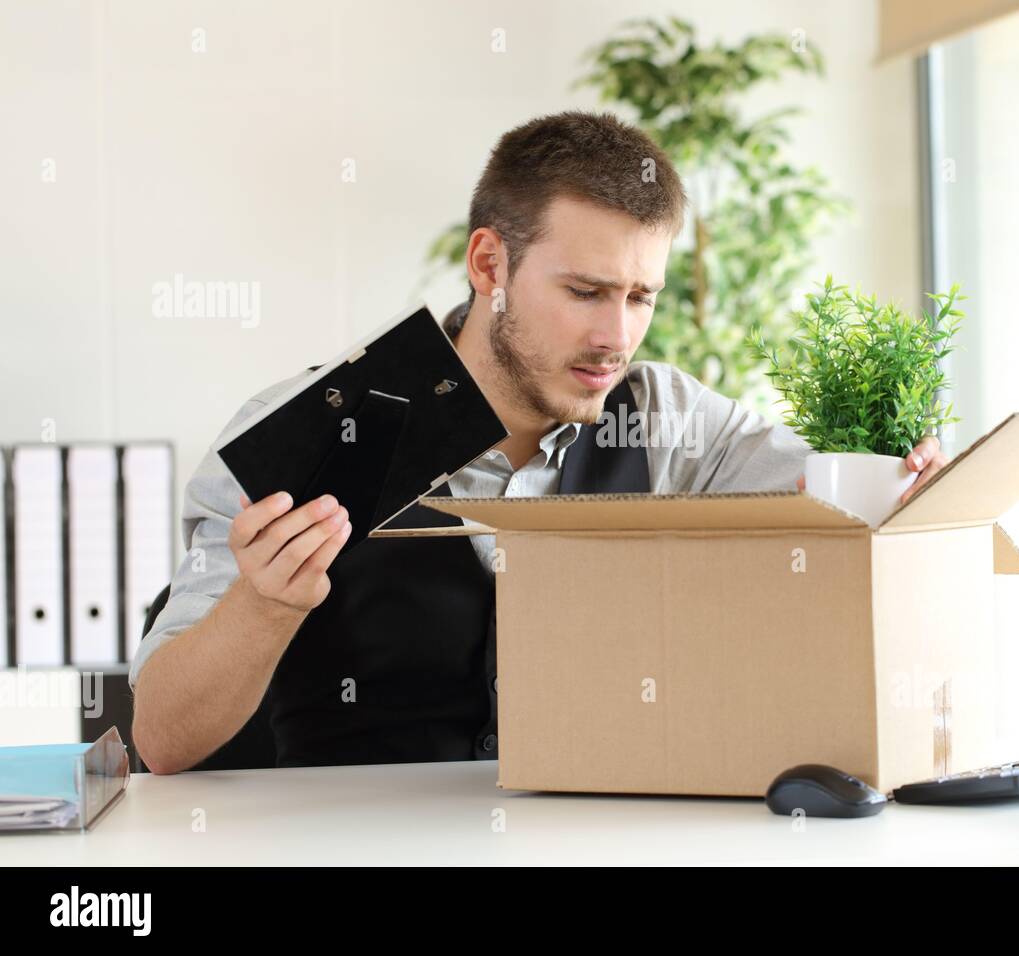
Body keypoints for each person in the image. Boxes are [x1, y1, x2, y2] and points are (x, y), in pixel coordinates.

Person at [130, 111, 947, 773]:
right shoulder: (315, 429)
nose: (615, 336)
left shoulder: (673, 422)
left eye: (640, 297)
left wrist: (908, 486)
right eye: (585, 291)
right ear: (490, 263)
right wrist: (264, 604)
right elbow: (163, 741)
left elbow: (848, 514)